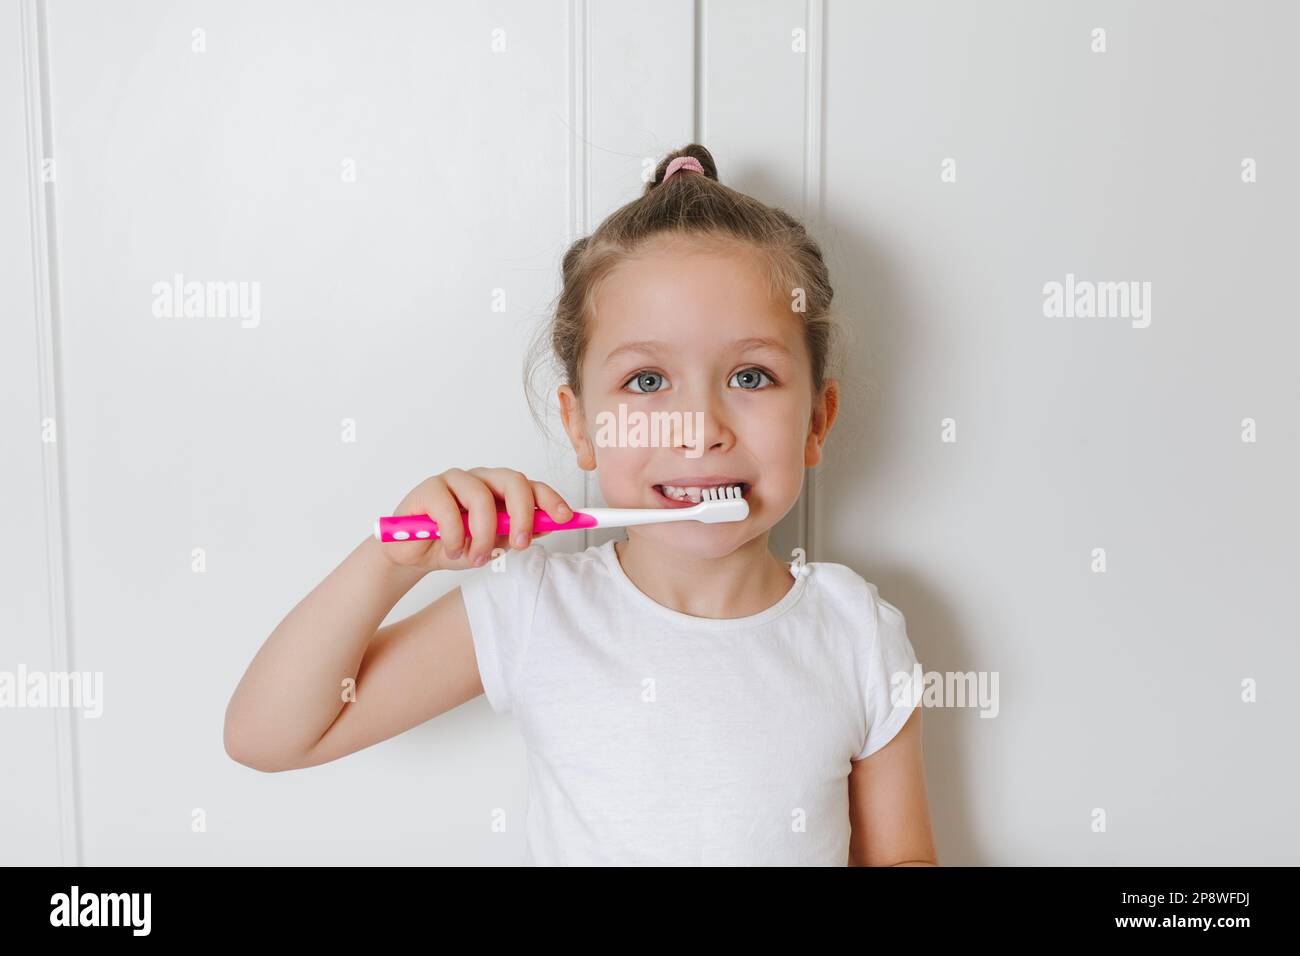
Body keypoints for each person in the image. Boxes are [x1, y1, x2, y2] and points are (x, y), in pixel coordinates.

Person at [224, 144, 938, 866]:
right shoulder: (537, 610)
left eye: (751, 376)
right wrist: (391, 562)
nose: (699, 430)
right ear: (581, 427)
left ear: (817, 421)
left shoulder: (857, 633)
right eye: (648, 382)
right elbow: (268, 736)